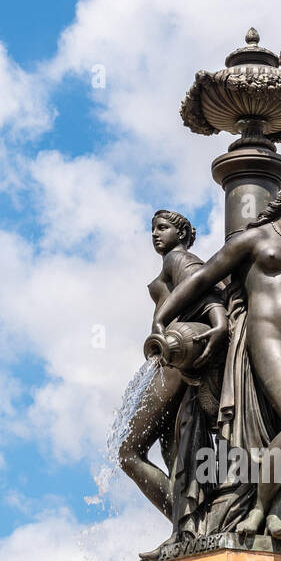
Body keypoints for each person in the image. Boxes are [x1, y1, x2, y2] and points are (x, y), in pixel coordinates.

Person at [153, 180, 281, 539]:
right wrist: (162, 318)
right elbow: (204, 277)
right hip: (267, 333)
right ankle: (258, 508)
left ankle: (278, 512)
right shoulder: (252, 240)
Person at [118, 211, 226, 519]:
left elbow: (206, 290)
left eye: (163, 228)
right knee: (173, 452)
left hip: (174, 364)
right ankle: (191, 523)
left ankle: (188, 522)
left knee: (128, 453)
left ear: (181, 234)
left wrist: (218, 323)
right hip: (175, 362)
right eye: (152, 229)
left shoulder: (179, 259)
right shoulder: (177, 261)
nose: (155, 234)